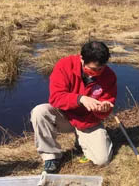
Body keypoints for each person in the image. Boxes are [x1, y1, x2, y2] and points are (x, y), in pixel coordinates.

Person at [31, 41, 116, 173]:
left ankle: (81, 142)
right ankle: (50, 156)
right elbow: (55, 98)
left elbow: (107, 104)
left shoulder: (109, 76)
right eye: (94, 69)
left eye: (101, 68)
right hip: (64, 116)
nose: (98, 73)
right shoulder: (64, 65)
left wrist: (104, 110)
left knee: (102, 160)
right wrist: (80, 99)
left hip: (88, 121)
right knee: (39, 112)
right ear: (81, 58)